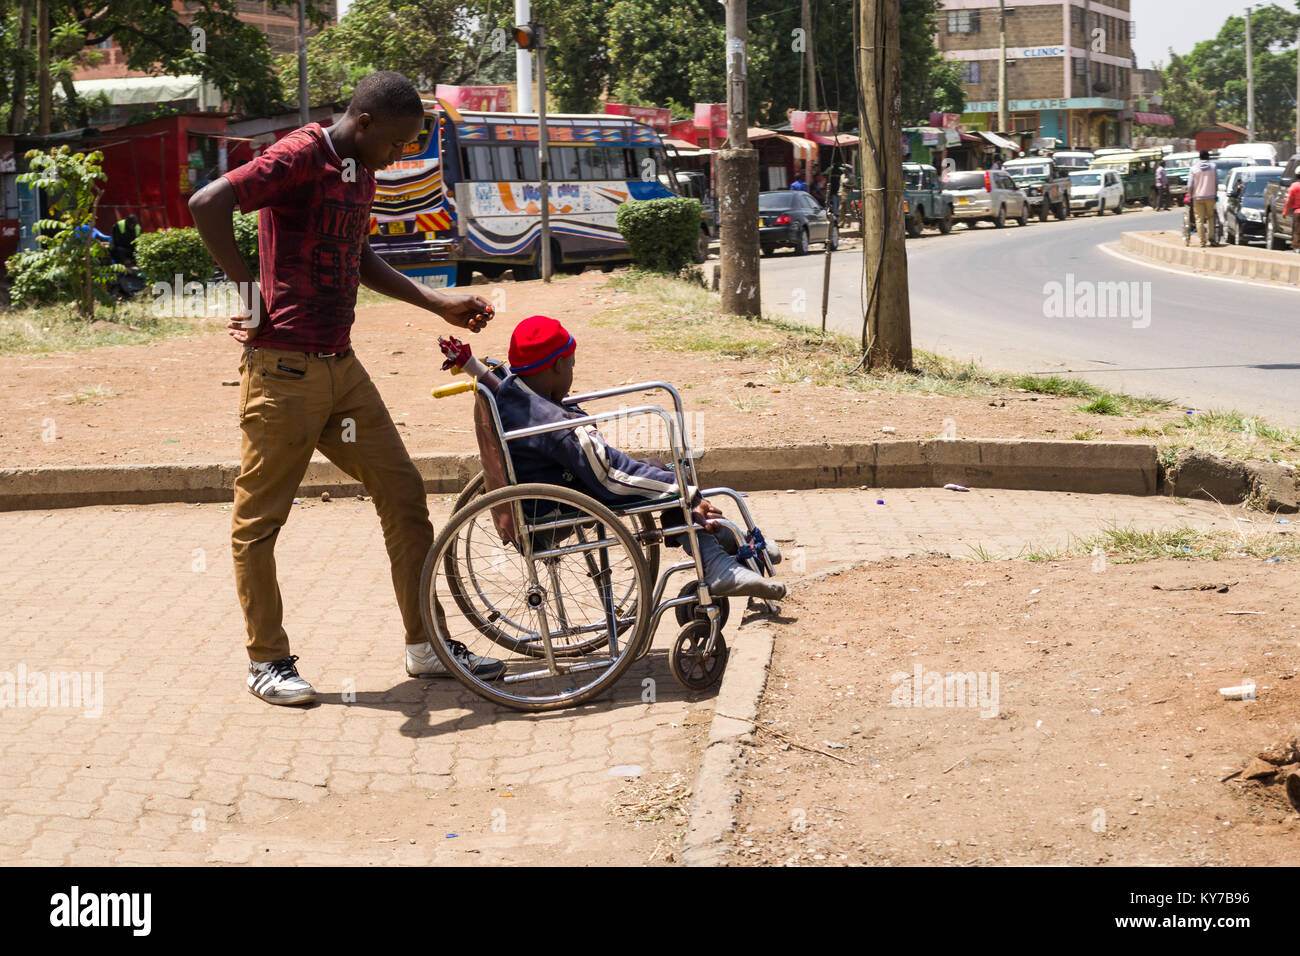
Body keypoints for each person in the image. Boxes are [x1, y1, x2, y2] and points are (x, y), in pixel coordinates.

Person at [189, 70, 502, 707]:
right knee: (260, 520)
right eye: (397, 143)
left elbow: (360, 258)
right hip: (283, 372)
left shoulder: (361, 171)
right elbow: (207, 203)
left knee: (403, 491)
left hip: (341, 369)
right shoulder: (300, 155)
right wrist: (250, 294)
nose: (402, 156)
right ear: (364, 123)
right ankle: (268, 661)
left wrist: (437, 302)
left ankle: (426, 646)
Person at [494, 315, 787, 601]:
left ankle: (726, 551)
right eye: (571, 365)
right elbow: (609, 476)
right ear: (558, 364)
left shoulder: (515, 392)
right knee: (670, 486)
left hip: (561, 484)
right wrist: (683, 491)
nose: (572, 372)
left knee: (660, 472)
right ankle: (722, 558)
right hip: (562, 505)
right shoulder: (552, 424)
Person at [1187, 149, 1218, 248]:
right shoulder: (1213, 167)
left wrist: (1190, 195)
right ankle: (1212, 239)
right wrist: (1215, 192)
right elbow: (1216, 182)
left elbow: (1190, 185)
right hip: (1210, 197)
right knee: (1210, 217)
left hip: (1197, 197)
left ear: (1199, 157)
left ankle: (1202, 242)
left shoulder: (1193, 169)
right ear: (1208, 157)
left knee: (1199, 219)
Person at [1284, 174, 1300, 252]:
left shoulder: (1294, 186)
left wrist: (1285, 212)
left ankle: (1296, 247)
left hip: (1297, 212)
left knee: (1296, 230)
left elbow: (1289, 201)